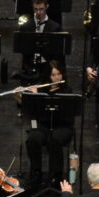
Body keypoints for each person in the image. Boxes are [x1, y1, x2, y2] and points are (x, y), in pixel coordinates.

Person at [20, 58, 74, 187]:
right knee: (32, 138)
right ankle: (36, 172)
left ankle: (57, 175)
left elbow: (68, 115)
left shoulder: (67, 91)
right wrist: (28, 96)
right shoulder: (41, 89)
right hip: (43, 125)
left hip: (62, 126)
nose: (57, 77)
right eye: (53, 75)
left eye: (59, 74)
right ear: (48, 76)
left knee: (54, 139)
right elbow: (30, 111)